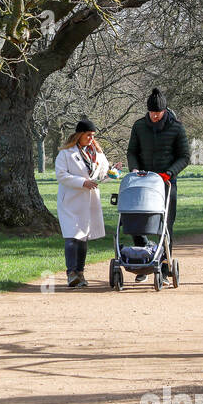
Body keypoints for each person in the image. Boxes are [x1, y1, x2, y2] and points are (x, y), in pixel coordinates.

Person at [124, 88, 190, 279]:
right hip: (143, 181)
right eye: (152, 112)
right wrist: (134, 169)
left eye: (158, 113)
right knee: (136, 219)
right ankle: (142, 261)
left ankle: (164, 265)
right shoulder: (139, 126)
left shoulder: (176, 128)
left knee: (166, 224)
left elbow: (184, 157)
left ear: (164, 111)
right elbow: (132, 152)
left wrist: (170, 173)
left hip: (166, 182)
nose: (154, 116)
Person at [56, 119, 122, 288]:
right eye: (88, 135)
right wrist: (82, 182)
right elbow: (61, 176)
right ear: (79, 135)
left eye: (93, 136)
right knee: (72, 236)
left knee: (83, 237)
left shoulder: (97, 154)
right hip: (70, 201)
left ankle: (80, 272)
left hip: (89, 201)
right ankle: (71, 273)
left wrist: (113, 173)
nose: (91, 139)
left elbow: (102, 176)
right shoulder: (65, 153)